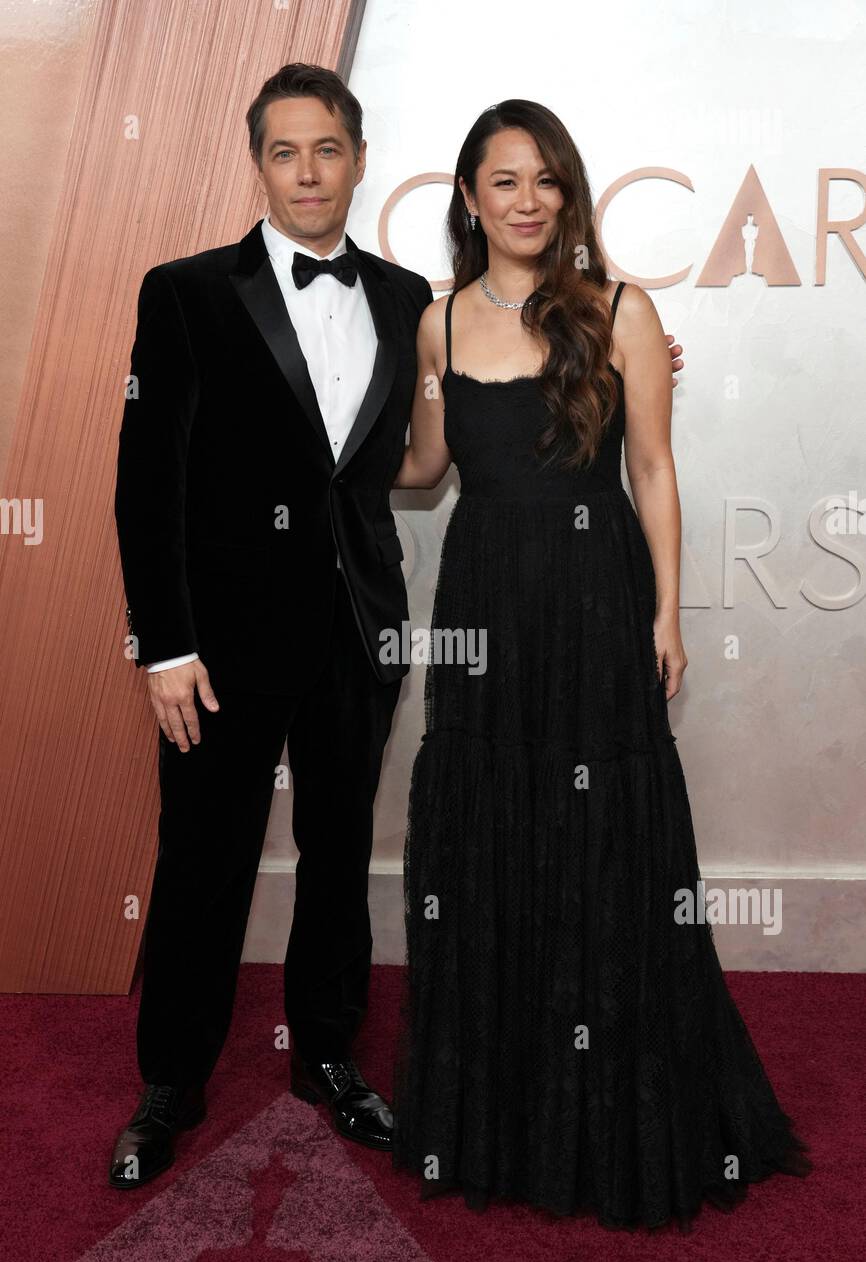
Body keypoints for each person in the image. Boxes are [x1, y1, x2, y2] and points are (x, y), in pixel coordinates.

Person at [111, 66, 683, 1191]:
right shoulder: (182, 293)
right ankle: (169, 1084)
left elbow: (402, 467)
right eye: (286, 151)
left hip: (356, 628)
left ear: (360, 160)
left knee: (338, 856)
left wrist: (619, 386)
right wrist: (163, 643)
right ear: (259, 164)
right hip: (220, 646)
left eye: (329, 149)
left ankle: (326, 1056)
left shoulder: (398, 300)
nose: (310, 171)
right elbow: (146, 483)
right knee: (204, 859)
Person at [390, 99, 811, 1231]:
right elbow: (423, 470)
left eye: (546, 182)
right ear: (468, 197)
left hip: (591, 601)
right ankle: (507, 1114)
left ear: (567, 198)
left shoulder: (622, 311)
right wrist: (323, 436)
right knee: (492, 828)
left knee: (597, 836)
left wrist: (667, 611)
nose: (526, 201)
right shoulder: (431, 326)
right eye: (503, 180)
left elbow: (654, 471)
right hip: (484, 606)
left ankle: (614, 1113)